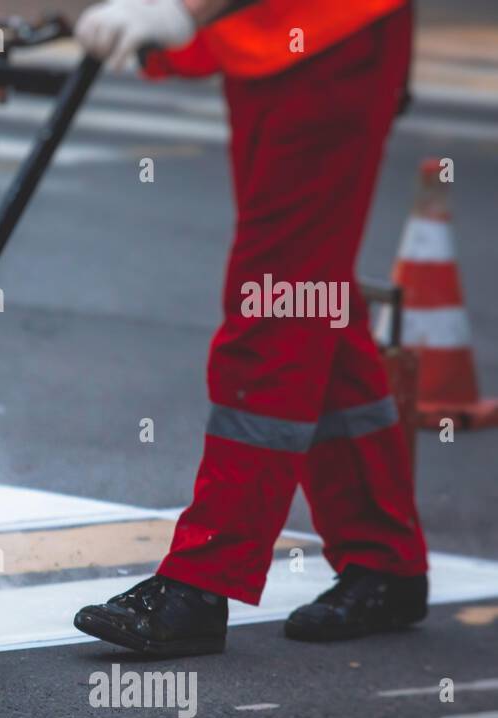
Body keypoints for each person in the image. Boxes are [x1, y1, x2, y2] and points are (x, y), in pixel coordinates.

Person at [71, 0, 429, 656]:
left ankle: (204, 579)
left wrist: (180, 9)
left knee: (277, 303)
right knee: (310, 297)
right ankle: (385, 558)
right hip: (280, 40)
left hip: (330, 35)